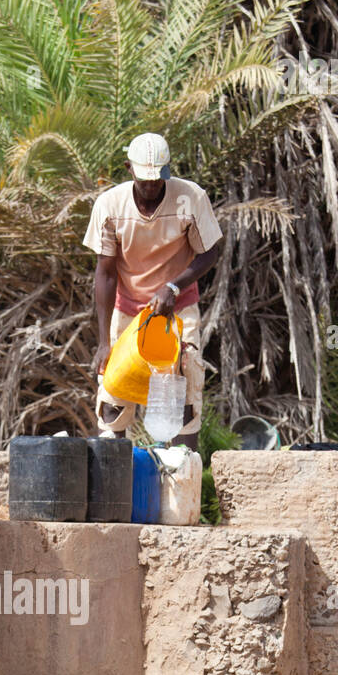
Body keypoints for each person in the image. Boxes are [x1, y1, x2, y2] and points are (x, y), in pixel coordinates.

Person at [83, 133, 222, 448]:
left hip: (178, 310)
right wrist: (105, 342)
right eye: (144, 179)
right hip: (128, 310)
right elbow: (104, 274)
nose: (151, 186)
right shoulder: (110, 206)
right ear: (129, 169)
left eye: (158, 178)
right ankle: (113, 478)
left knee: (185, 389)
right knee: (113, 393)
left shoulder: (191, 198)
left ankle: (182, 476)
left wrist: (173, 286)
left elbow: (210, 252)